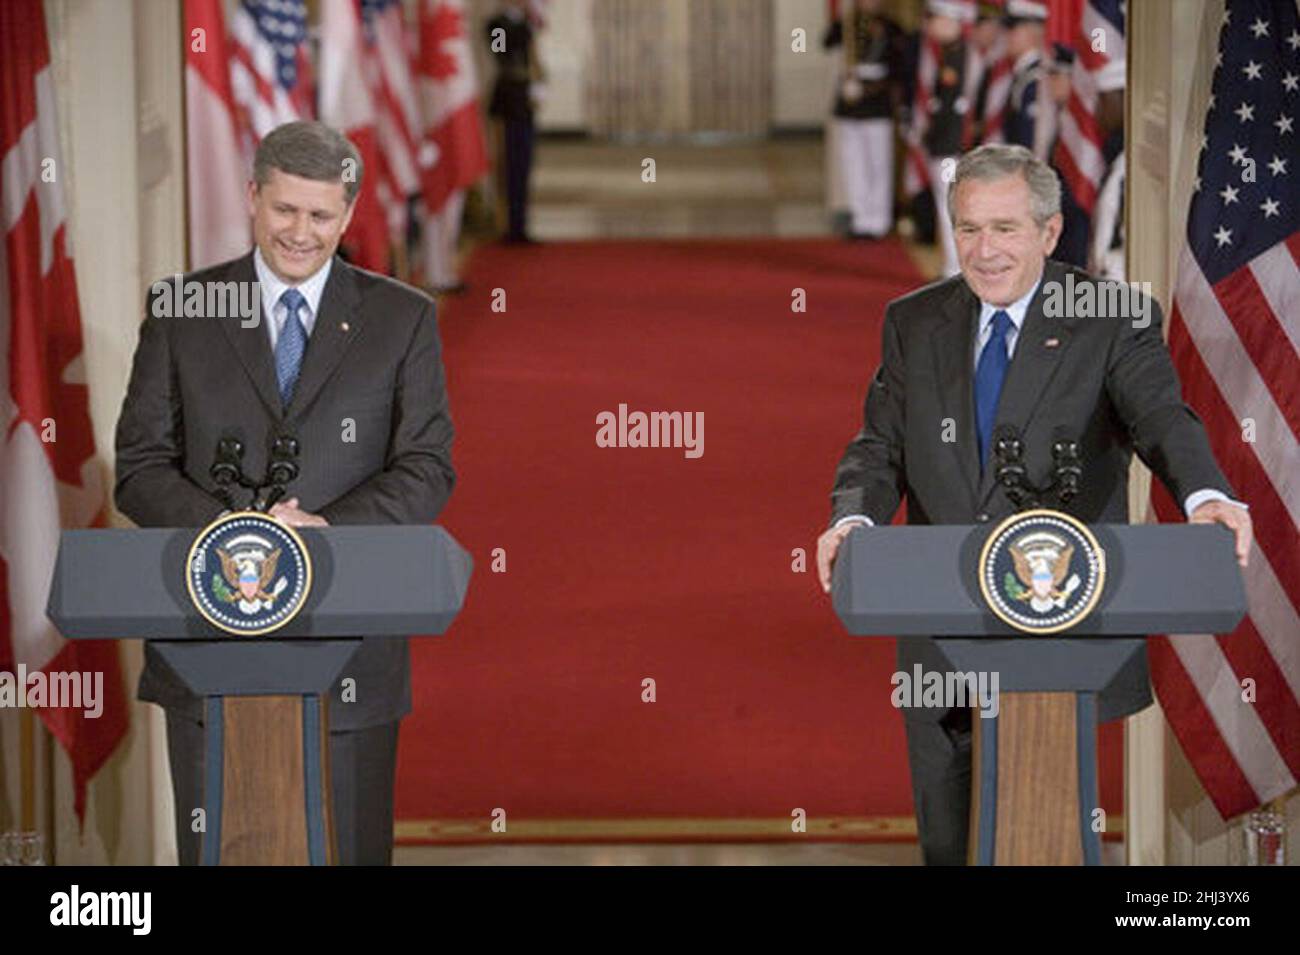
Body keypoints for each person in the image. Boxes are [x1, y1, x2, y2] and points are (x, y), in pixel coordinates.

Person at [816, 144, 1252, 865]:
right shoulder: (913, 321)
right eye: (968, 228)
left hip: (1060, 634)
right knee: (951, 840)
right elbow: (880, 446)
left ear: (1049, 234)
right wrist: (852, 517)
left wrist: (1205, 494)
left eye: (1006, 229)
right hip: (941, 626)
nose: (984, 251)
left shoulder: (1111, 318)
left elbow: (1163, 420)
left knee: (1043, 828)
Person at [115, 120, 456, 865]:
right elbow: (139, 466)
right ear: (251, 198)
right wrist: (237, 536)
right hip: (207, 648)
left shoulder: (403, 318)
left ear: (348, 213)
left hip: (353, 657)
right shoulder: (182, 310)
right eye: (284, 210)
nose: (300, 232)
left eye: (321, 215)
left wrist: (325, 527)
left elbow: (428, 466)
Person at [823, 0, 906, 240]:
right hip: (850, 102)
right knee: (853, 162)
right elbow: (824, 42)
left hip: (877, 101)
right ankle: (860, 219)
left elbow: (899, 67)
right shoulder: (847, 24)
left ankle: (878, 220)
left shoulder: (892, 28)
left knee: (878, 164)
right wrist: (800, 36)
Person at [486, 0, 542, 244]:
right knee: (506, 162)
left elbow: (533, 62)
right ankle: (506, 223)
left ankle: (521, 222)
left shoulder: (526, 25)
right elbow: (500, 52)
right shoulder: (496, 25)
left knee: (524, 161)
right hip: (506, 98)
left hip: (524, 99)